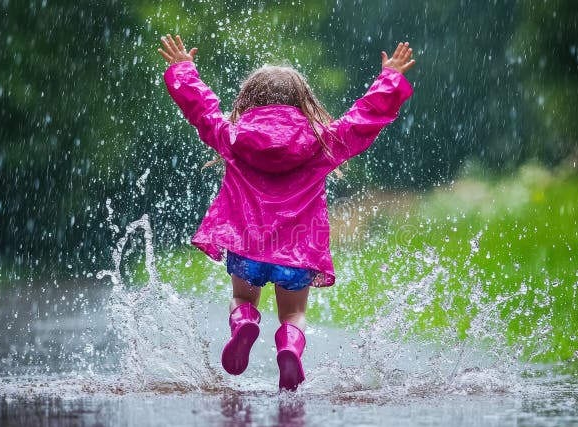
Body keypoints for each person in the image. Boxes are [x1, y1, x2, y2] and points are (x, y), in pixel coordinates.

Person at [159, 34, 415, 390]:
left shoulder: (232, 136)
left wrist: (184, 70)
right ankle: (290, 347)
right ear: (304, 101)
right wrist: (390, 78)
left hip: (246, 243)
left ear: (249, 99)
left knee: (242, 298)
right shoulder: (324, 141)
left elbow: (202, 109)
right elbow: (364, 117)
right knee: (293, 312)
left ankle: (244, 322)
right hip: (298, 248)